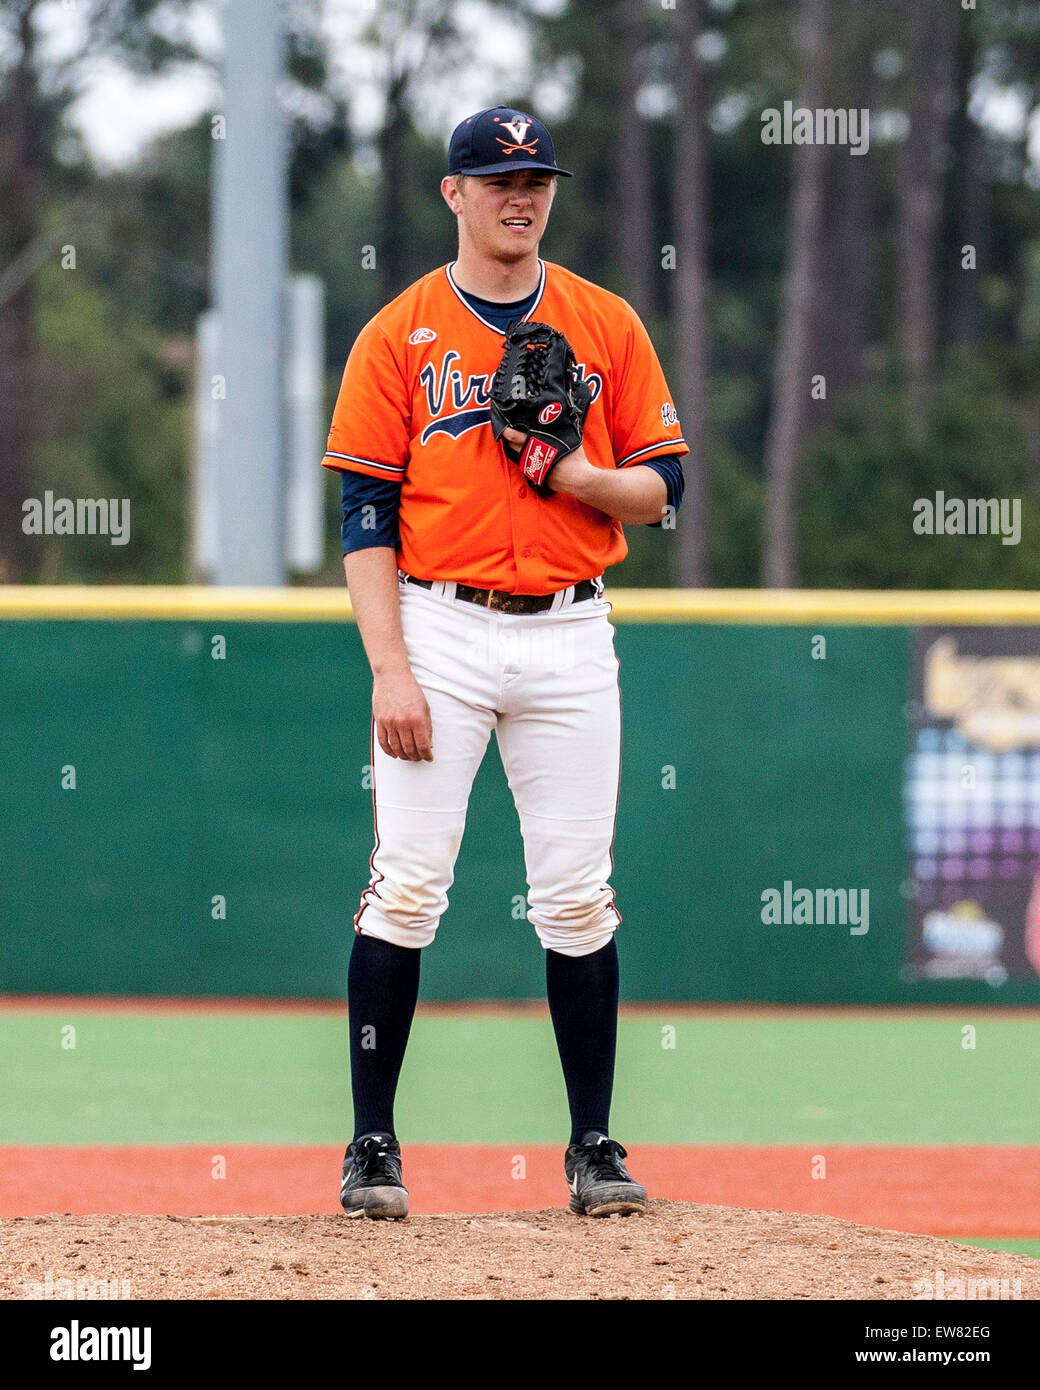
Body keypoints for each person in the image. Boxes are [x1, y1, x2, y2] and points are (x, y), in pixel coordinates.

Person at [323, 106, 688, 1220]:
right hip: (439, 625)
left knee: (576, 897)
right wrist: (390, 666)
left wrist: (573, 471)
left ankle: (591, 1146)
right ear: (452, 194)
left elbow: (665, 487)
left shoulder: (605, 323)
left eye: (534, 178)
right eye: (495, 179)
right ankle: (371, 1144)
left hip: (571, 628)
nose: (517, 195)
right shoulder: (399, 335)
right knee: (410, 884)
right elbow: (364, 513)